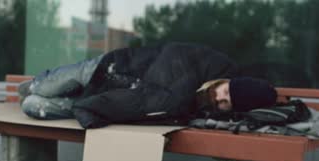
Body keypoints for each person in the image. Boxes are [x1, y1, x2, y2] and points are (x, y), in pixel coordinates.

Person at [19, 42, 277, 129]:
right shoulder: (212, 62)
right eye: (224, 91)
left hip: (108, 96)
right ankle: (34, 83)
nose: (218, 98)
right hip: (109, 67)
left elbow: (148, 104)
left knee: (33, 106)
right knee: (41, 88)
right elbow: (173, 55)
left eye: (224, 103)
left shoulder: (198, 110)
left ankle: (48, 93)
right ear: (227, 81)